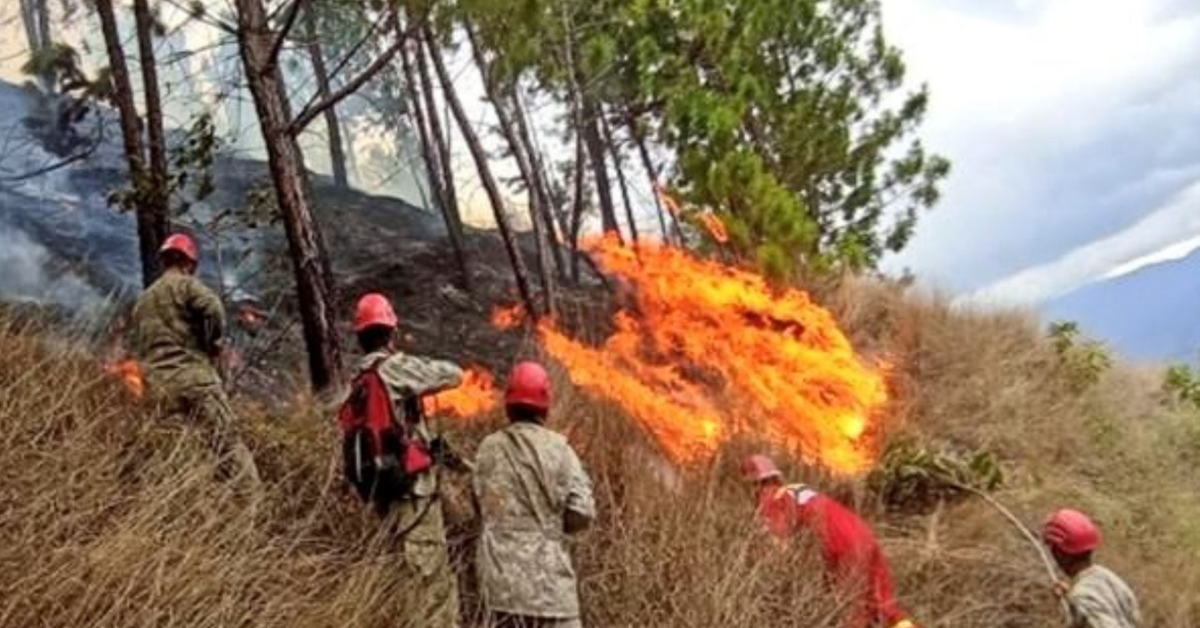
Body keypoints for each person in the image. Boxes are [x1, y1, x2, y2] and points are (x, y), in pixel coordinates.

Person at [349, 292, 465, 628]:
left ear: (360, 337)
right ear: (391, 332)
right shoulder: (393, 369)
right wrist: (415, 362)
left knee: (406, 580)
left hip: (385, 491)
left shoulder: (359, 377)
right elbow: (453, 374)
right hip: (412, 495)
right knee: (431, 588)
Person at [474, 361, 596, 628]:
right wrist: (554, 525)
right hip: (551, 594)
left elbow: (479, 503)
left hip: (499, 591)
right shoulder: (560, 450)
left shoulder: (488, 448)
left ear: (508, 404)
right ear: (545, 405)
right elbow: (583, 512)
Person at [132, 233, 260, 485]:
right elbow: (213, 307)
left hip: (159, 387)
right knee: (228, 447)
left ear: (164, 260)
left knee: (173, 453)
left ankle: (179, 501)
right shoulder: (187, 285)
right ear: (189, 262)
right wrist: (211, 343)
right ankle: (249, 502)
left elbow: (140, 345)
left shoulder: (143, 302)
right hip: (195, 380)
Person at [740, 454, 916, 628]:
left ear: (754, 484)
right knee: (883, 603)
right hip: (863, 534)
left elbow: (777, 545)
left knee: (850, 612)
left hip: (841, 546)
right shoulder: (796, 489)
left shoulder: (771, 499)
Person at [1043, 509, 1140, 628]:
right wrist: (1069, 597)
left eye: (1053, 549)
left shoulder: (1081, 598)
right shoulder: (1111, 580)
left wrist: (1075, 600)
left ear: (1059, 554)